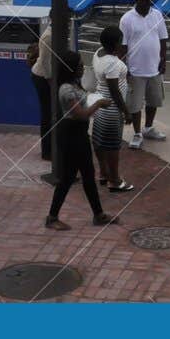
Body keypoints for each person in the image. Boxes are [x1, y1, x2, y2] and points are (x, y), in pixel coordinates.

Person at [46, 48, 118, 230]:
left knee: (88, 175)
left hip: (79, 135)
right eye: (79, 66)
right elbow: (80, 115)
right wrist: (99, 104)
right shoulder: (66, 89)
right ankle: (52, 217)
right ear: (70, 68)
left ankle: (98, 214)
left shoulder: (75, 84)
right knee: (68, 177)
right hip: (71, 135)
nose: (83, 68)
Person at [120, 0, 169, 150]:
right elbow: (123, 45)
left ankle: (148, 128)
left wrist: (163, 60)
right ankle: (136, 133)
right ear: (137, 0)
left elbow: (163, 39)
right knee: (135, 105)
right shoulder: (126, 19)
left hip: (154, 68)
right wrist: (124, 67)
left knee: (153, 101)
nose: (149, 2)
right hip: (135, 70)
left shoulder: (157, 15)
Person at [90, 26, 134, 195]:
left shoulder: (98, 53)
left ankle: (103, 173)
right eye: (120, 41)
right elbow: (115, 91)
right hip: (112, 110)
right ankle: (115, 181)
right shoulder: (113, 63)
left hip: (99, 105)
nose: (123, 44)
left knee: (99, 141)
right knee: (113, 146)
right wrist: (126, 111)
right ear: (115, 43)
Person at [26, 22, 57, 185]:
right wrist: (52, 83)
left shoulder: (58, 33)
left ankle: (53, 147)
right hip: (42, 78)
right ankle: (47, 151)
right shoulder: (48, 37)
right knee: (47, 114)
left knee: (52, 113)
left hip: (49, 78)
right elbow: (45, 63)